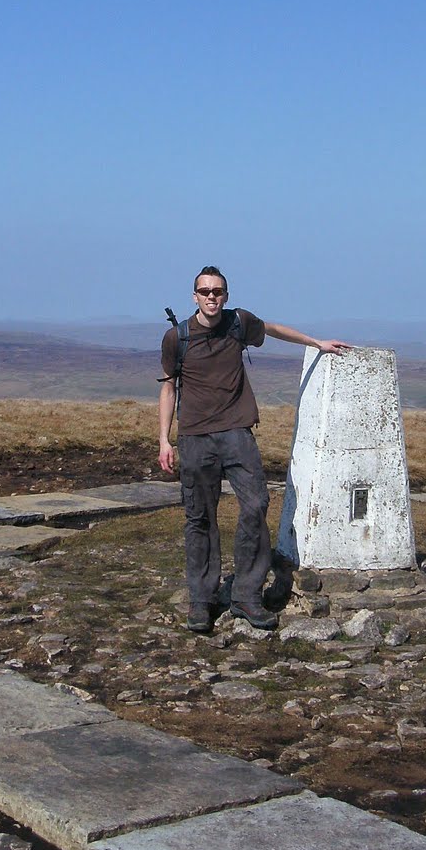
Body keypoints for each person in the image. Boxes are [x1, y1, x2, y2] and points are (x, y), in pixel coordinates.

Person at [159, 266, 350, 632]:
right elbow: (168, 387)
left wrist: (316, 343)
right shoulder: (176, 338)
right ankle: (202, 601)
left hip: (237, 434)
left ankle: (246, 596)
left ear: (226, 296)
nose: (211, 297)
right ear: (194, 295)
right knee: (199, 518)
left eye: (218, 291)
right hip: (195, 438)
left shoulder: (238, 323)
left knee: (256, 503)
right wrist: (164, 440)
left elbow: (274, 330)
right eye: (205, 291)